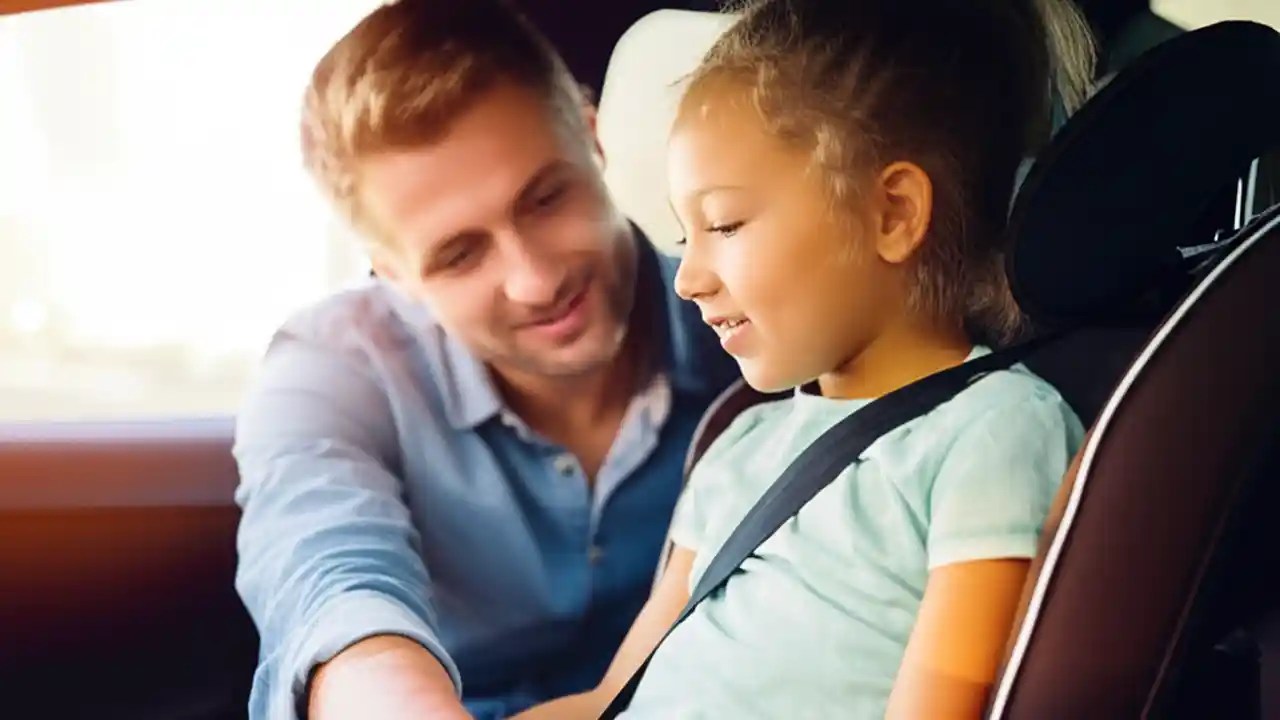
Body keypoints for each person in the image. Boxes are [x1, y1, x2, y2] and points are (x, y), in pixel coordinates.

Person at [513, 0, 1096, 717]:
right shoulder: (741, 449)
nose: (688, 277)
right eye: (682, 234)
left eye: (723, 223)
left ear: (892, 214)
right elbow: (610, 700)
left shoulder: (992, 434)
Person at [231, 1, 738, 719]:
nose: (535, 279)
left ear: (593, 143)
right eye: (460, 254)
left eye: (545, 198)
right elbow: (328, 577)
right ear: (393, 273)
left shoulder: (758, 337)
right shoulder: (334, 370)